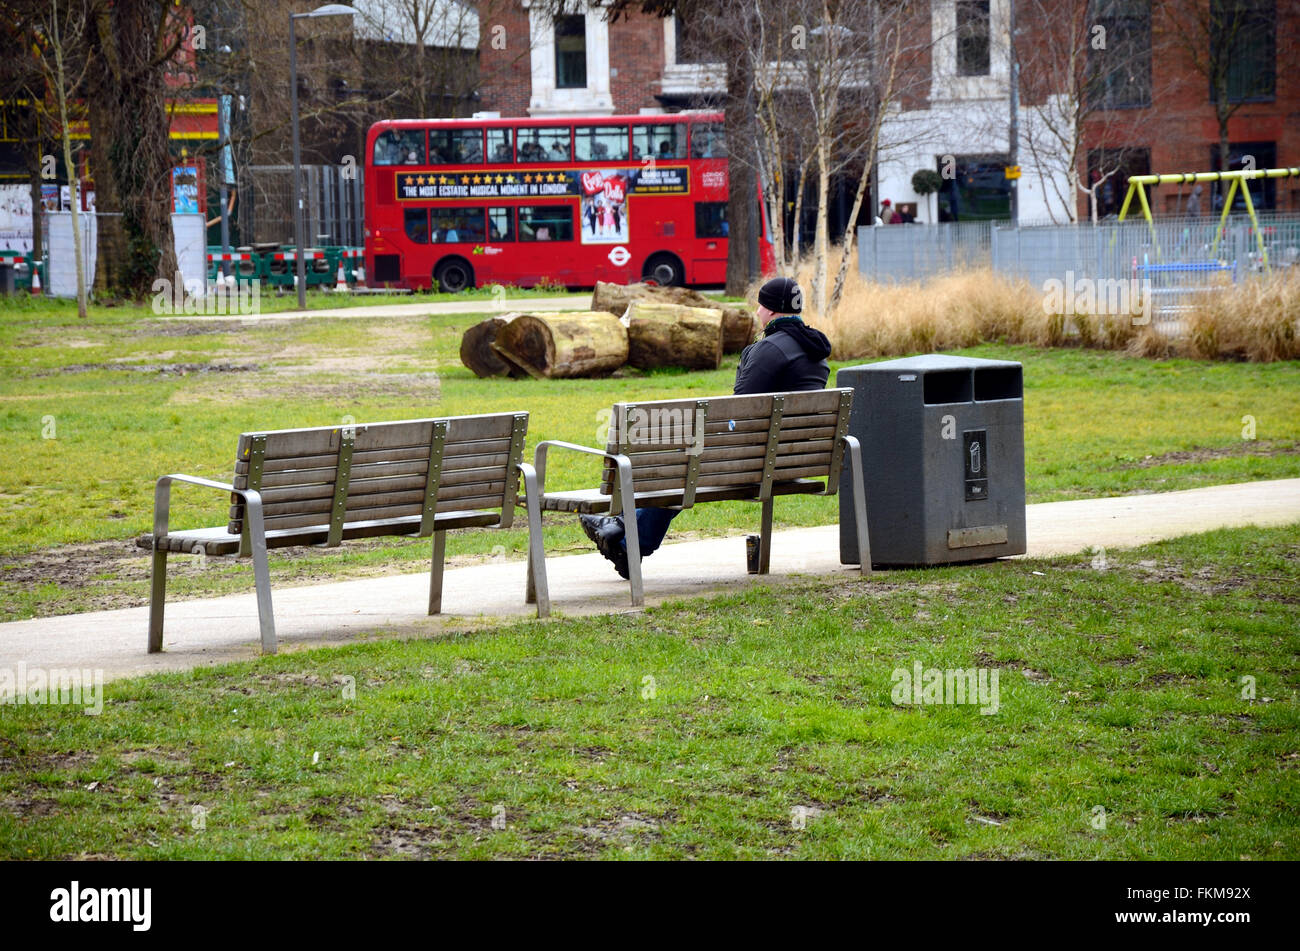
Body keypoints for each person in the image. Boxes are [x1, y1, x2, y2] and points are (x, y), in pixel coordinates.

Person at [579, 277, 832, 579]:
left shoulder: (768, 350)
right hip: (794, 460)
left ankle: (625, 535)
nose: (757, 310)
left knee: (682, 460)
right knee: (687, 458)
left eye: (760, 305)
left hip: (752, 465)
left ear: (770, 310)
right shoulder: (816, 351)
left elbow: (738, 412)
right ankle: (621, 528)